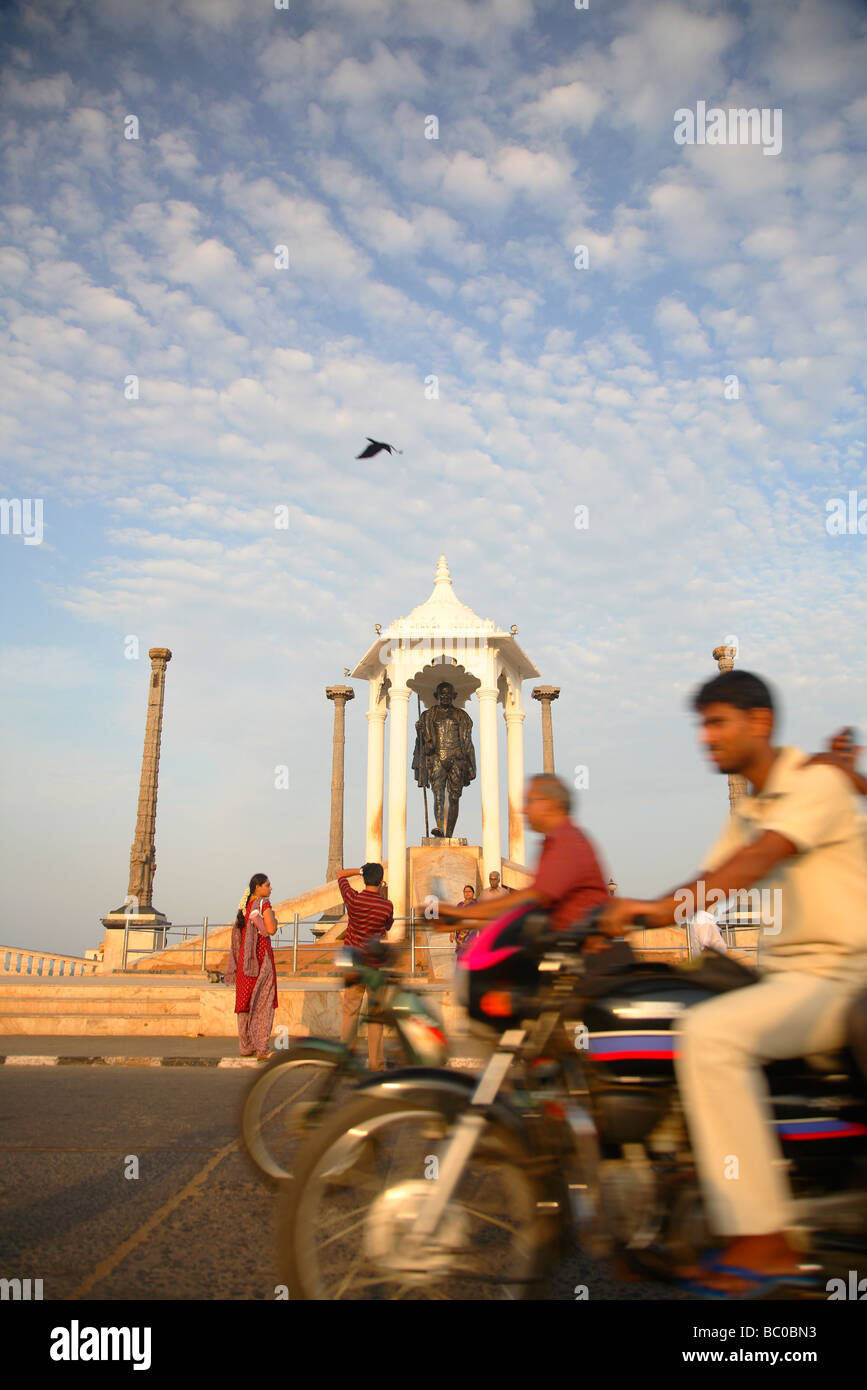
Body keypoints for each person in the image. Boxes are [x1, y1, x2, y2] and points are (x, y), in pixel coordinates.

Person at [596, 671, 867, 1295]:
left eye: (718, 722)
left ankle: (763, 1242)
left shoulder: (814, 783)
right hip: (786, 974)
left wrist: (658, 911)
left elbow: (753, 862)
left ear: (759, 723)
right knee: (676, 1003)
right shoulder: (748, 807)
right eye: (703, 724)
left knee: (711, 1035)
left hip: (837, 976)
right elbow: (713, 872)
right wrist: (614, 922)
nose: (706, 737)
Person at [437, 773, 609, 933]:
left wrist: (463, 914)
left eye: (530, 801)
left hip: (579, 952)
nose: (524, 810)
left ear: (550, 804)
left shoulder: (567, 842)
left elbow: (532, 898)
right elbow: (527, 912)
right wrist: (463, 923)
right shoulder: (554, 842)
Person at [337, 863, 394, 1072]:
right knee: (376, 1014)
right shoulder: (386, 905)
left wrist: (358, 871)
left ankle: (346, 1059)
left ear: (364, 879)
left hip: (353, 962)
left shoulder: (354, 899)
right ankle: (376, 1063)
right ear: (381, 881)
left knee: (350, 1012)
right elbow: (387, 925)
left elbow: (339, 874)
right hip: (375, 966)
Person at [224, 873, 278, 1060]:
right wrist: (272, 920)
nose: (271, 889)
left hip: (245, 963)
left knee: (245, 1004)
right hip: (261, 961)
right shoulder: (264, 904)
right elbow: (270, 930)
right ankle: (262, 1046)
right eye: (268, 885)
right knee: (264, 1002)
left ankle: (246, 1046)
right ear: (258, 887)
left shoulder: (244, 907)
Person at [450, 884, 478, 959]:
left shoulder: (476, 905)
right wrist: (452, 932)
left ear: (473, 893)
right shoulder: (460, 905)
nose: (467, 893)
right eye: (465, 891)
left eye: (469, 891)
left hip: (471, 933)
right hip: (460, 936)